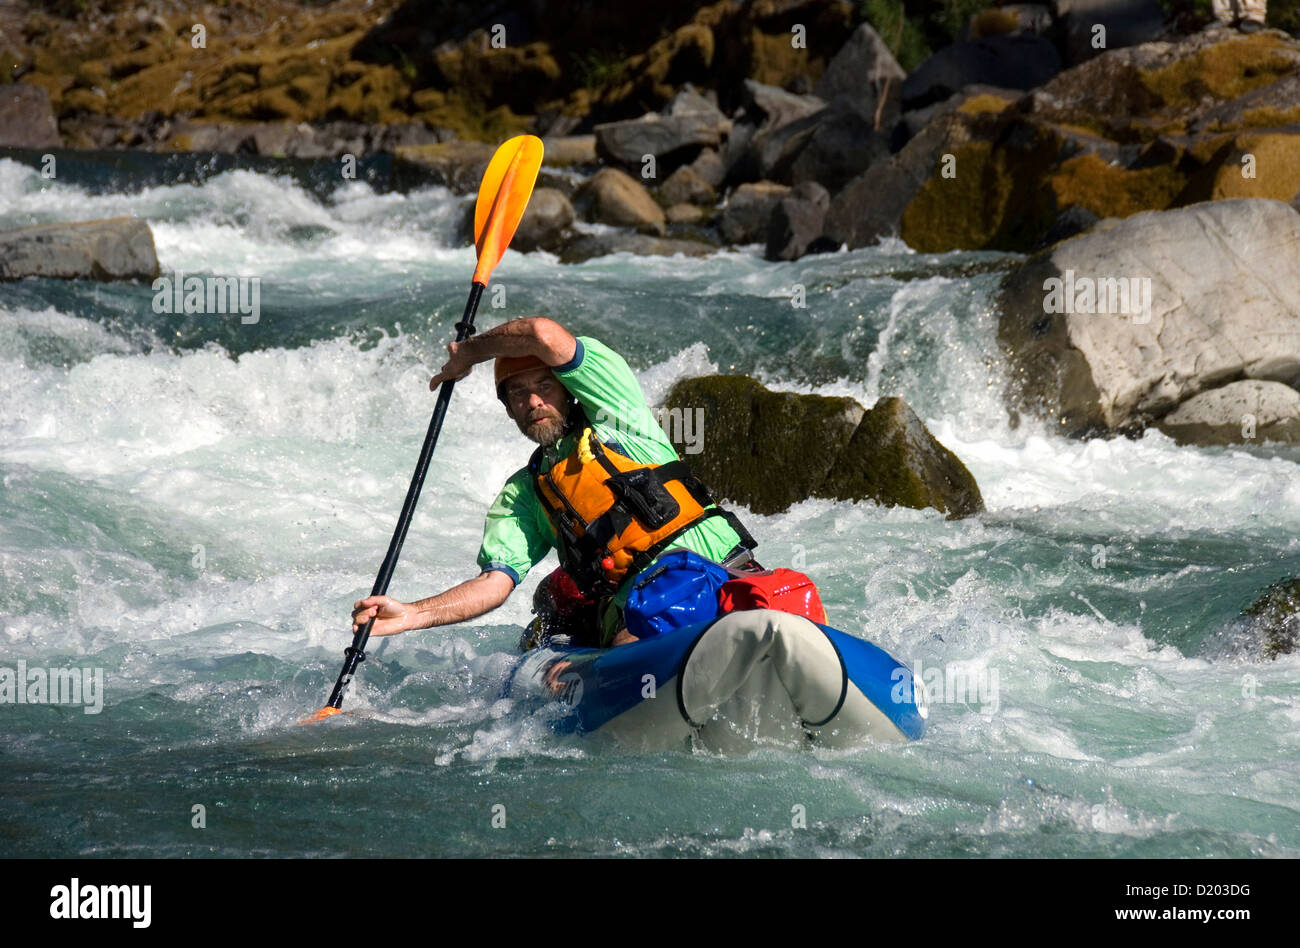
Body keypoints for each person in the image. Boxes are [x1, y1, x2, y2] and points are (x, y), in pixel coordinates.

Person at [349, 316, 755, 649]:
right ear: (508, 411)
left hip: (720, 573)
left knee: (638, 635)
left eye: (545, 386)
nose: (534, 402)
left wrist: (467, 353)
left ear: (569, 392)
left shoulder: (618, 415)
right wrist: (412, 614)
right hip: (638, 602)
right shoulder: (524, 494)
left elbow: (543, 334)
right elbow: (494, 584)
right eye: (519, 394)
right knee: (548, 634)